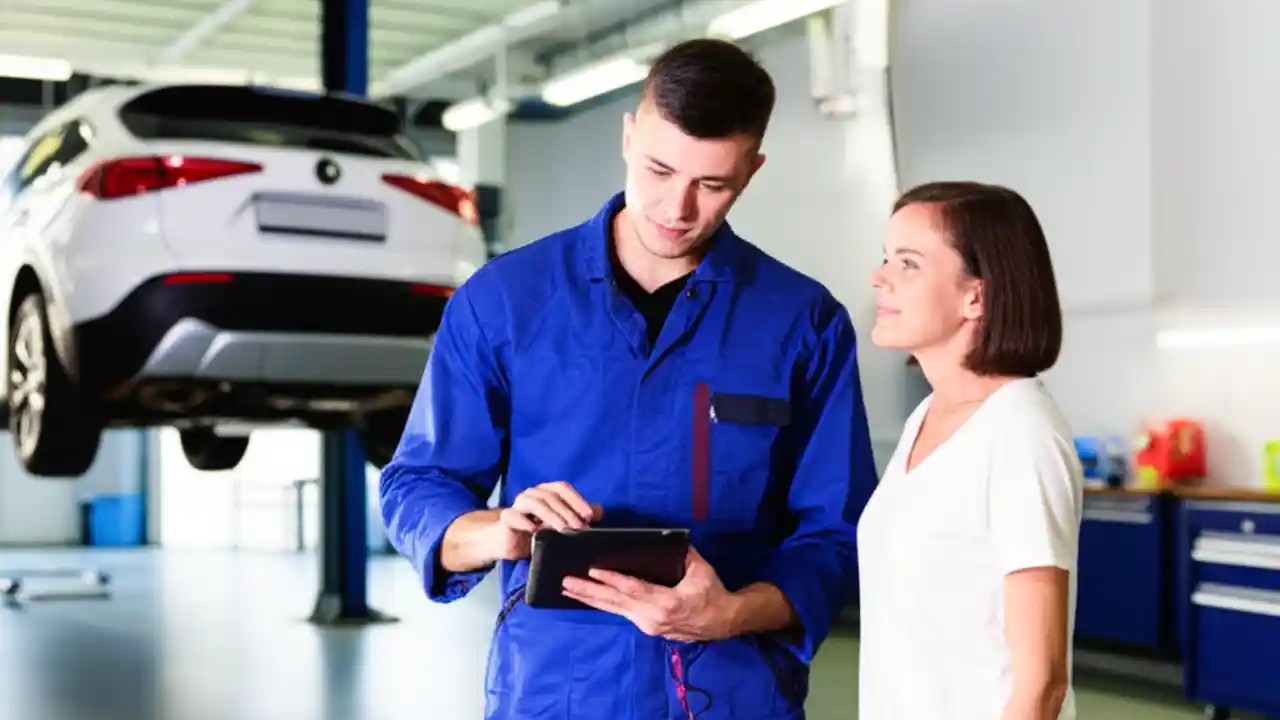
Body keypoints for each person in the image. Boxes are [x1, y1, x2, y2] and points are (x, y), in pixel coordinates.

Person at [378, 39, 877, 719]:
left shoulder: (801, 322)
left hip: (734, 692)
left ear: (753, 170)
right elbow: (418, 483)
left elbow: (835, 534)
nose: (677, 208)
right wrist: (498, 531)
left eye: (713, 185)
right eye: (659, 169)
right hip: (559, 690)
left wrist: (730, 613)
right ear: (628, 134)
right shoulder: (505, 301)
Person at [857, 181, 1084, 720]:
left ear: (975, 296)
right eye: (886, 258)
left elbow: (1041, 685)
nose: (879, 277)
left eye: (908, 264)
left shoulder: (1020, 434)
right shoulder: (927, 418)